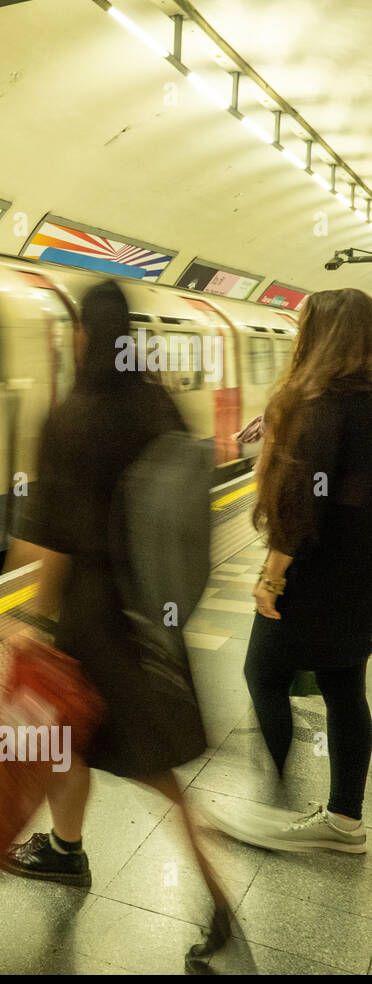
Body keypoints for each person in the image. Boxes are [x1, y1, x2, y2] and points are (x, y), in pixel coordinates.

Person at [0, 280, 231, 959]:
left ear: (86, 335)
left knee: (108, 750)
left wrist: (29, 619)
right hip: (149, 613)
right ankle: (68, 848)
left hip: (95, 621)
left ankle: (213, 892)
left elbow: (55, 542)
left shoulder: (73, 415)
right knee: (90, 748)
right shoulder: (156, 400)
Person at [204, 288, 372, 852]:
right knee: (345, 682)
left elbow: (302, 505)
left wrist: (272, 575)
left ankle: (270, 801)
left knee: (263, 672)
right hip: (362, 572)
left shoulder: (322, 405)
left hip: (320, 573)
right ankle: (345, 820)